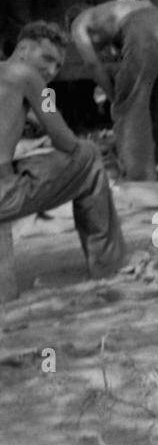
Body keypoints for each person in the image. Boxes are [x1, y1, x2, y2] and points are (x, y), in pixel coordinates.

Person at [0, 21, 128, 279]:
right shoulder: (30, 77)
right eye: (47, 59)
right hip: (4, 196)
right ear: (23, 49)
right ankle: (110, 265)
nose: (51, 70)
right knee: (89, 155)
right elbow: (64, 140)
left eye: (58, 66)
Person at [70, 0, 158, 193]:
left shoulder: (79, 22)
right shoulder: (111, 11)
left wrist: (115, 98)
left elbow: (92, 64)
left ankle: (142, 182)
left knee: (130, 111)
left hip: (144, 33)